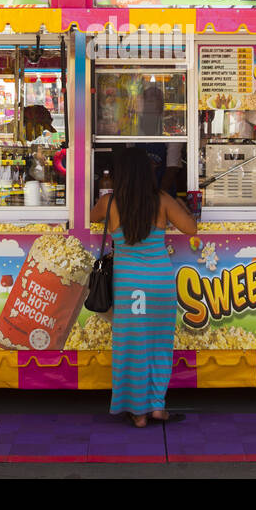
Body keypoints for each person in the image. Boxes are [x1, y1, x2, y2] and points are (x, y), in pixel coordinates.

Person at [89, 145, 197, 428]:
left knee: (131, 346)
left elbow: (91, 218)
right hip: (159, 283)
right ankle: (157, 407)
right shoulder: (161, 200)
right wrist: (180, 203)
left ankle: (138, 412)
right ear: (148, 173)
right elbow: (190, 228)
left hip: (129, 286)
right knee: (160, 346)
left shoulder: (110, 203)